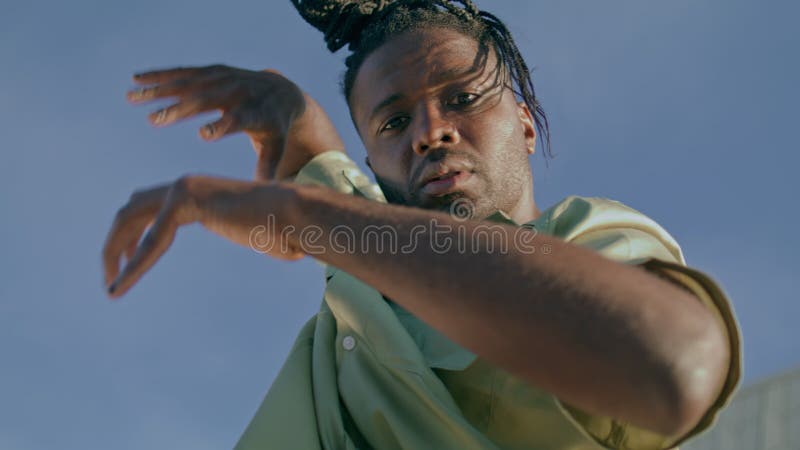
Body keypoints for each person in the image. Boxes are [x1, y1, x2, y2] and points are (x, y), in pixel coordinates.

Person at [102, 1, 741, 448]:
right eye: (393, 123)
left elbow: (674, 363)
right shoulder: (359, 271)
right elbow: (329, 181)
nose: (431, 131)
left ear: (523, 122)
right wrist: (294, 132)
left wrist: (307, 217)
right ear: (372, 162)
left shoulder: (592, 237)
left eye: (462, 99)